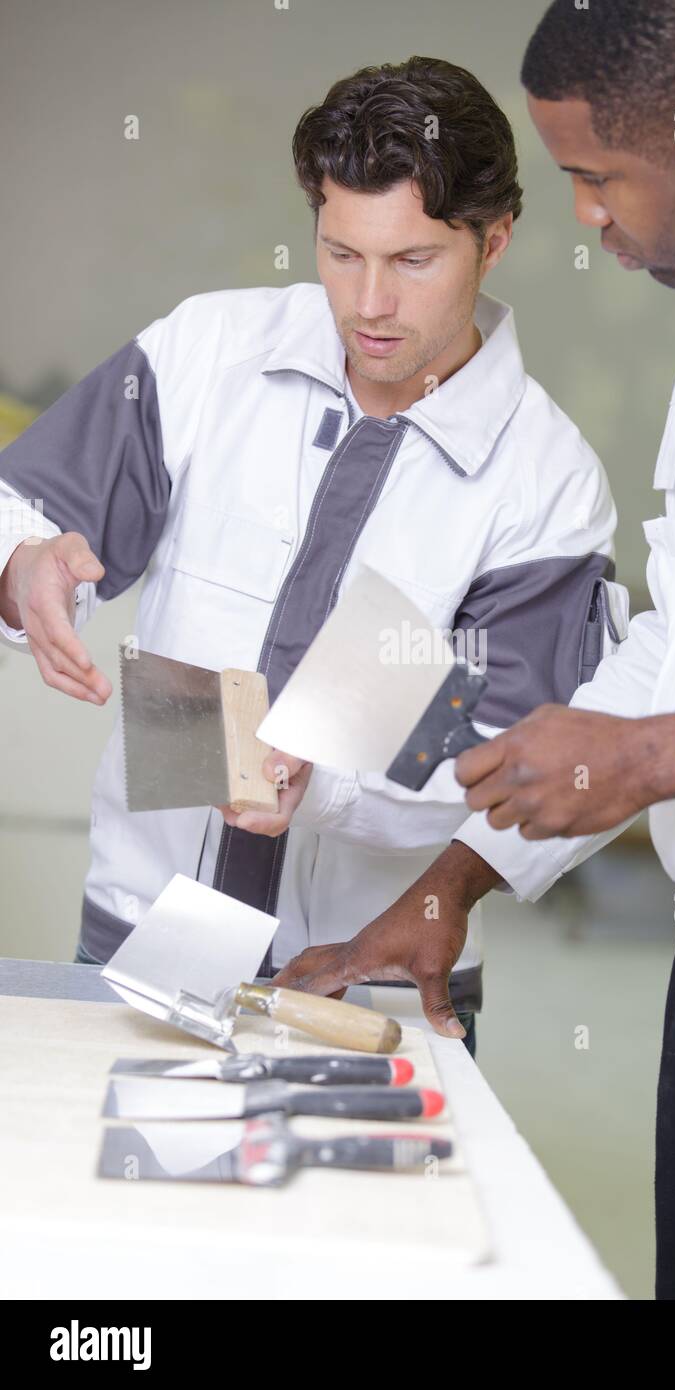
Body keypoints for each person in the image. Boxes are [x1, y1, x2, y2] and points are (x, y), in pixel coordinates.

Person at [279, 1, 675, 1299]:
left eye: (597, 179)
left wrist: (656, 754)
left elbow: (669, 724)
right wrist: (459, 880)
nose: (588, 222)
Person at [0, 57, 627, 1057]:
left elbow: (516, 758)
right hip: (140, 939)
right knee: (113, 1202)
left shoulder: (545, 482)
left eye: (412, 261)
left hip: (368, 982)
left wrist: (324, 782)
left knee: (354, 1216)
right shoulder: (206, 349)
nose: (367, 302)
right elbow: (22, 505)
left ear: (493, 241)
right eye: (340, 253)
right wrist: (20, 562)